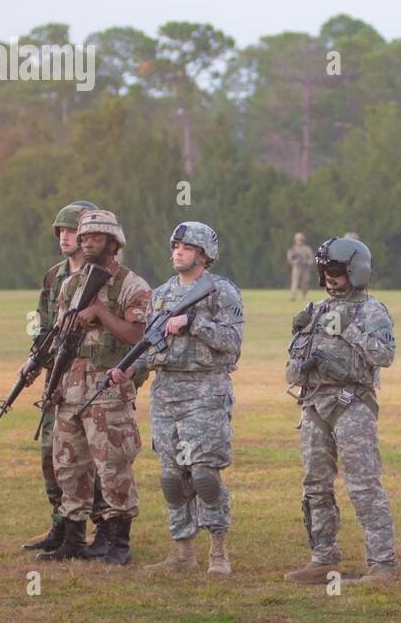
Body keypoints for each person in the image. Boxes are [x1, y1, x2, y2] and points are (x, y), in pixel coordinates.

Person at [119, 222, 244, 575]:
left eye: (186, 248)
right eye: (175, 246)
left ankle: (218, 550)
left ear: (204, 255)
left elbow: (232, 345)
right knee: (172, 479)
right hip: (166, 393)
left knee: (204, 475)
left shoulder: (221, 293)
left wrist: (194, 324)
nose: (178, 252)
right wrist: (127, 369)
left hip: (205, 392)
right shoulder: (161, 294)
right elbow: (150, 345)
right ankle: (182, 552)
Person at [37, 210, 151, 564]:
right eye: (83, 237)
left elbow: (137, 337)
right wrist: (52, 384)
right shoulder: (70, 284)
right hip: (70, 389)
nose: (86, 242)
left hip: (108, 392)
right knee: (69, 466)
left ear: (113, 243)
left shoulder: (132, 285)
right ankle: (72, 539)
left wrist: (101, 312)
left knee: (113, 467)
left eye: (95, 238)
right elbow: (60, 339)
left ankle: (118, 545)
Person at [284, 236, 398, 585]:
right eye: (325, 271)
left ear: (355, 271)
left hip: (352, 404)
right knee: (315, 485)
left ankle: (382, 563)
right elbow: (294, 359)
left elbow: (384, 355)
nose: (330, 278)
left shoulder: (372, 311)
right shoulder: (315, 310)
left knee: (363, 484)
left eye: (336, 270)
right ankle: (324, 557)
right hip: (314, 403)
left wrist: (348, 330)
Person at [19, 201, 108, 555]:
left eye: (72, 231)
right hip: (57, 377)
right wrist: (32, 363)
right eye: (61, 231)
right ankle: (62, 524)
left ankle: (104, 528)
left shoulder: (105, 276)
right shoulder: (53, 276)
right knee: (52, 453)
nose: (65, 237)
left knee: (94, 458)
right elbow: (44, 328)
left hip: (90, 378)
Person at [287, 233, 312, 300]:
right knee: (295, 282)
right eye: (297, 240)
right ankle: (294, 296)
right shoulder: (293, 249)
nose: (299, 241)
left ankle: (304, 295)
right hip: (296, 268)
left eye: (300, 240)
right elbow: (289, 259)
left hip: (305, 268)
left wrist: (306, 262)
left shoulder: (307, 249)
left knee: (305, 283)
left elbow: (311, 259)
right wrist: (294, 262)